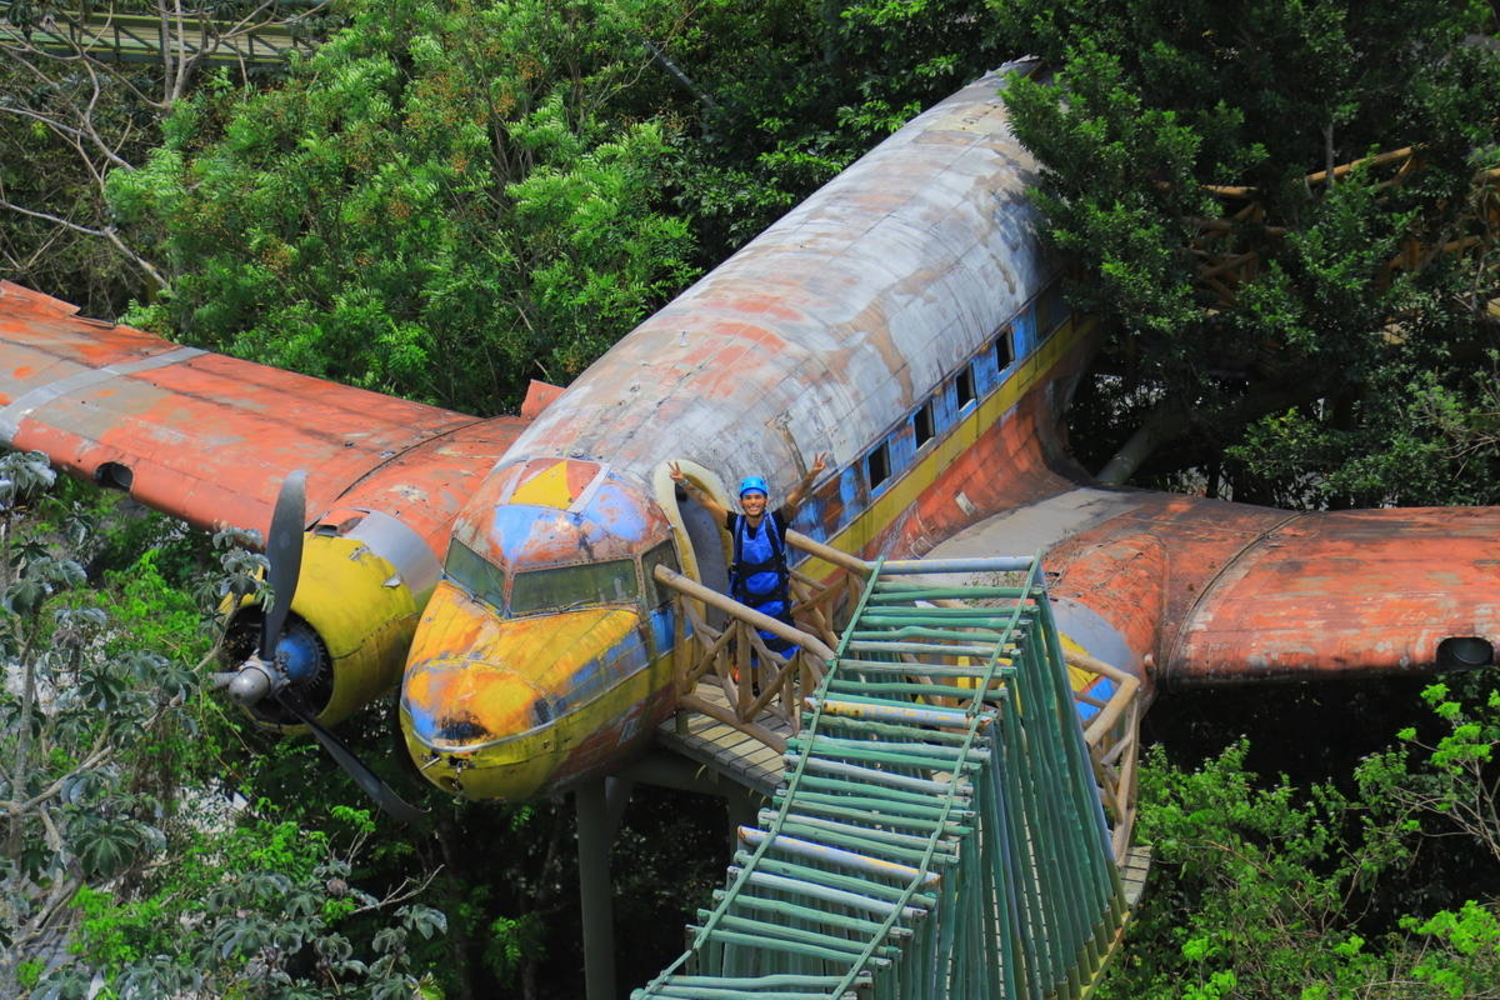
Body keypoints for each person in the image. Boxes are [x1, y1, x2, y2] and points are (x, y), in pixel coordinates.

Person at [669, 454, 828, 656]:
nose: (753, 502)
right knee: (752, 655)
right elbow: (707, 502)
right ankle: (755, 688)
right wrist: (683, 481)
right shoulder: (736, 523)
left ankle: (786, 682)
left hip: (776, 604)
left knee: (784, 651)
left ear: (765, 500)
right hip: (748, 605)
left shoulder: (776, 522)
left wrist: (811, 475)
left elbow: (795, 497)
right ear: (742, 502)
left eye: (757, 497)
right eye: (749, 498)